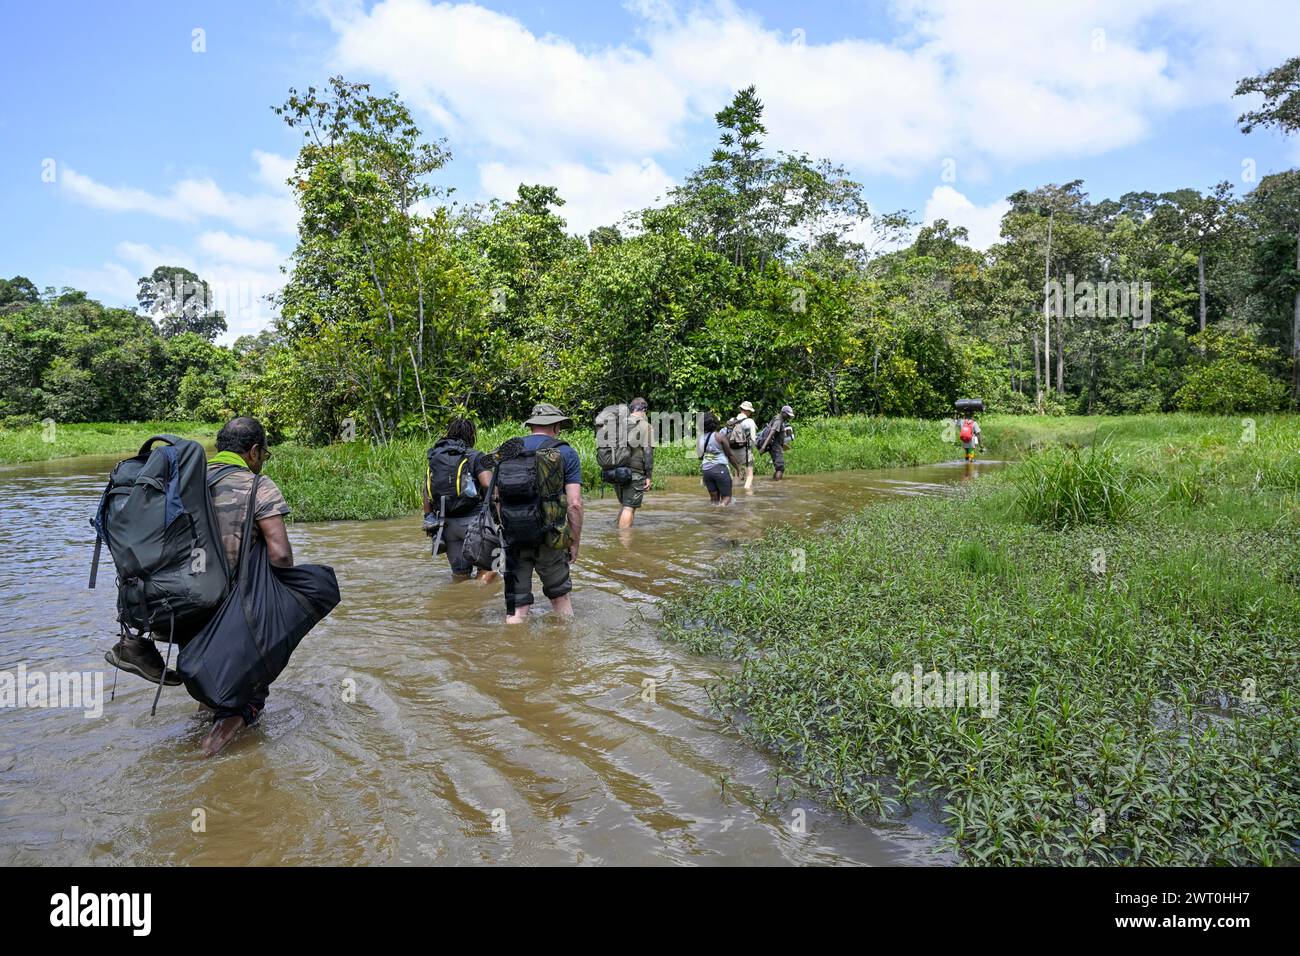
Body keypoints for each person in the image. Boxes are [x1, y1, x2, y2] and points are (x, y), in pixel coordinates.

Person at [503, 403, 583, 624]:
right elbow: (574, 503)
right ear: (556, 426)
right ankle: (564, 652)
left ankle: (510, 651)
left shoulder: (509, 450)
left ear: (532, 425)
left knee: (518, 610)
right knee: (560, 599)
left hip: (515, 536)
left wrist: (510, 528)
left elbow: (496, 497)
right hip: (551, 536)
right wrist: (573, 541)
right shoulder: (565, 452)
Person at [423, 418, 497, 583]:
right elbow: (487, 484)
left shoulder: (435, 458)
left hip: (447, 525)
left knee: (460, 575)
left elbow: (426, 493)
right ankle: (475, 595)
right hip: (474, 521)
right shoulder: (475, 456)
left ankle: (461, 603)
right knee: (491, 567)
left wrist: (428, 518)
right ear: (471, 435)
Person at [612, 398, 653, 529]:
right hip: (634, 471)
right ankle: (624, 544)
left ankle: (616, 535)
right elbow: (648, 452)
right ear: (644, 410)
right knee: (629, 507)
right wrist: (648, 476)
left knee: (625, 505)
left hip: (615, 471)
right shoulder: (645, 426)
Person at [697, 412, 743, 505]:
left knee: (714, 500)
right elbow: (729, 455)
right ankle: (720, 511)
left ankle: (714, 516)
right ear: (715, 423)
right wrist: (738, 469)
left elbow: (700, 456)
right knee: (727, 497)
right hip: (720, 469)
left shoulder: (700, 439)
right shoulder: (719, 436)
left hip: (706, 471)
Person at [758, 404, 795, 480]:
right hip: (775, 447)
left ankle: (774, 482)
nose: (788, 417)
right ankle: (777, 485)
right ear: (783, 413)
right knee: (780, 468)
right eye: (787, 415)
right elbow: (771, 433)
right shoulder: (778, 421)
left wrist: (783, 443)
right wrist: (763, 447)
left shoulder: (777, 418)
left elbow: (776, 435)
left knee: (778, 467)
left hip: (775, 445)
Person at [730, 401, 759, 491]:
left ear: (741, 409)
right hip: (745, 451)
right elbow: (753, 439)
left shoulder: (732, 420)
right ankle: (747, 495)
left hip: (732, 450)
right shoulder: (750, 421)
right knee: (749, 475)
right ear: (748, 411)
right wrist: (752, 450)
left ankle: (736, 493)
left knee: (737, 474)